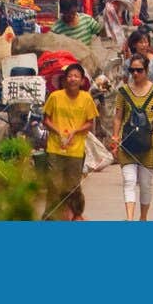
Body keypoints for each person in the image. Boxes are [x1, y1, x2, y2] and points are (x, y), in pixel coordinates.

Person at [113, 52, 153, 220]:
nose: (135, 74)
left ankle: (143, 217)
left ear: (146, 70)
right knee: (129, 181)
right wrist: (115, 137)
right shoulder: (123, 92)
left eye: (139, 70)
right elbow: (118, 116)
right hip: (127, 143)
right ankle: (130, 219)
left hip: (149, 144)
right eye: (132, 70)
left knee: (145, 185)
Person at [40, 62, 98, 219]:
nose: (73, 79)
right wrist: (58, 131)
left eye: (76, 76)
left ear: (81, 80)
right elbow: (46, 119)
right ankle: (50, 217)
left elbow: (89, 122)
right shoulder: (55, 97)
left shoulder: (86, 99)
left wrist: (75, 132)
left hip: (75, 149)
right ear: (64, 80)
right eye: (70, 76)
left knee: (73, 186)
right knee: (54, 184)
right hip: (55, 147)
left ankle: (76, 214)